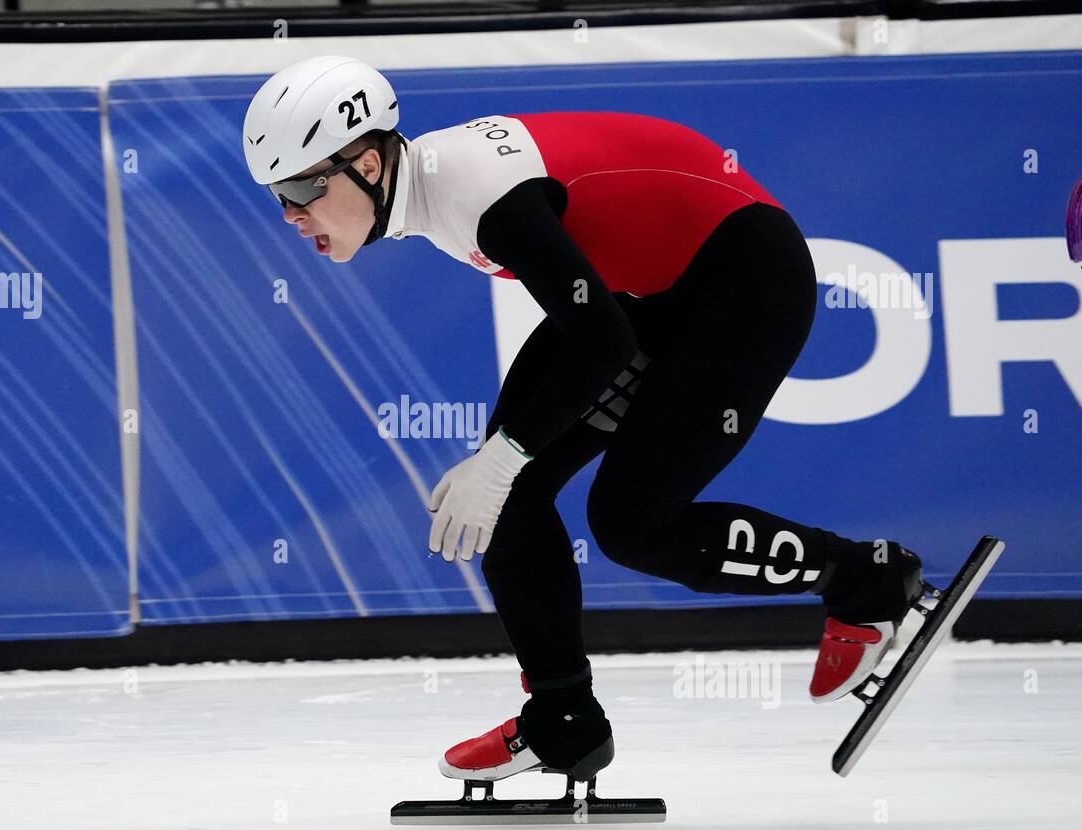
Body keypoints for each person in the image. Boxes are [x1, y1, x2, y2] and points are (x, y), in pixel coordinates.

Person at [243, 55, 925, 784]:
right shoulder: (430, 190)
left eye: (299, 187)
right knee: (509, 499)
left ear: (370, 165)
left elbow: (603, 343)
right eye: (277, 196)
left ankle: (867, 578)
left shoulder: (476, 196)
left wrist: (502, 458)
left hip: (745, 280)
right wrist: (506, 463)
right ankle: (562, 721)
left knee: (630, 521)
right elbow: (597, 318)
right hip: (652, 286)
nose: (290, 214)